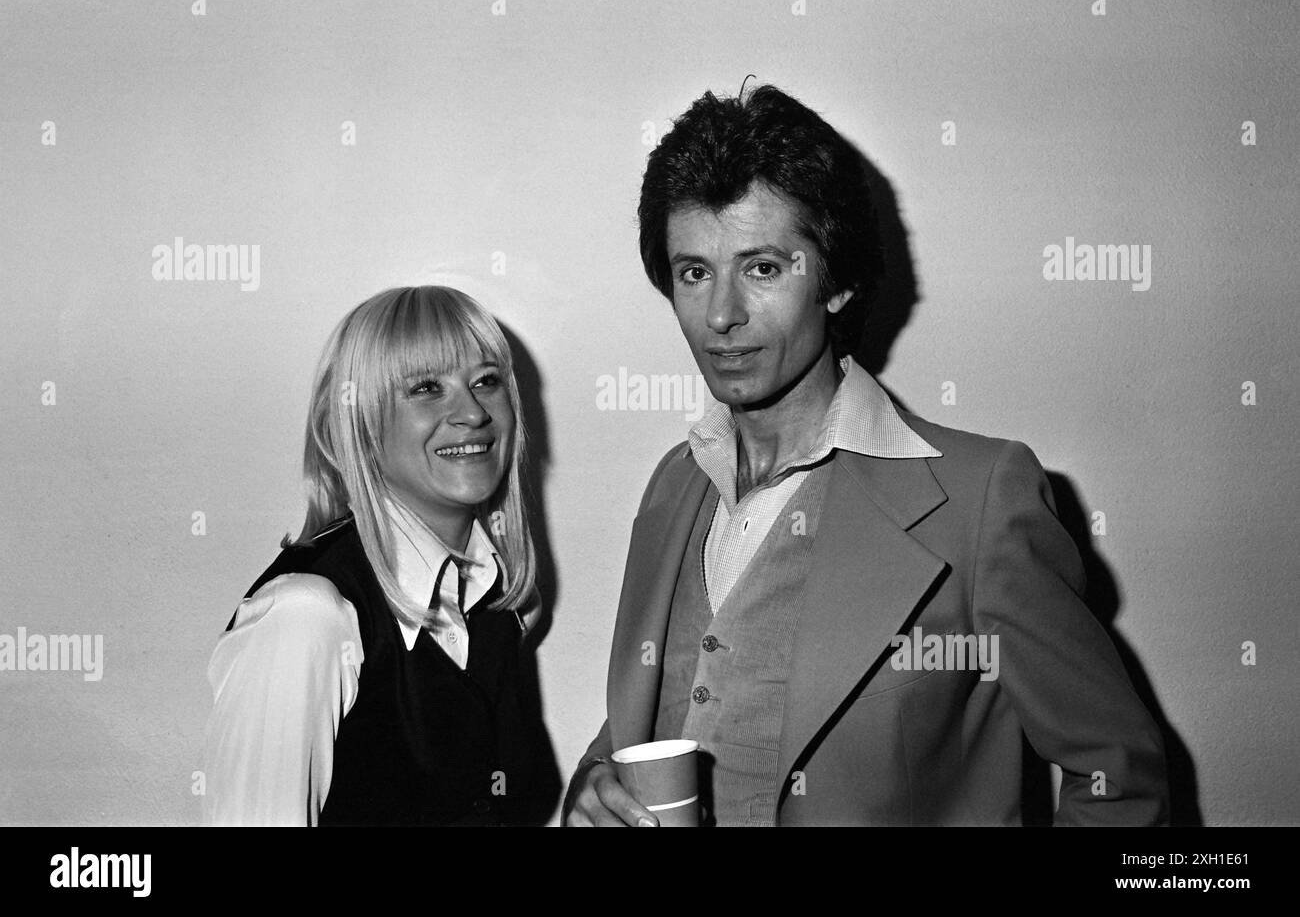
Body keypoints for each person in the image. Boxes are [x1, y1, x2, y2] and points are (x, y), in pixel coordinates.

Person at [564, 83, 1169, 826]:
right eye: (695, 273)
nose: (720, 315)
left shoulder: (979, 501)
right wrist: (595, 782)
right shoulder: (672, 486)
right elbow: (655, 717)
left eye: (761, 268)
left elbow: (1118, 778)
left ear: (839, 281)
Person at [205, 284, 549, 826]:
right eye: (426, 387)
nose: (472, 412)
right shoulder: (306, 614)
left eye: (486, 381)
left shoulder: (499, 602)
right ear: (359, 425)